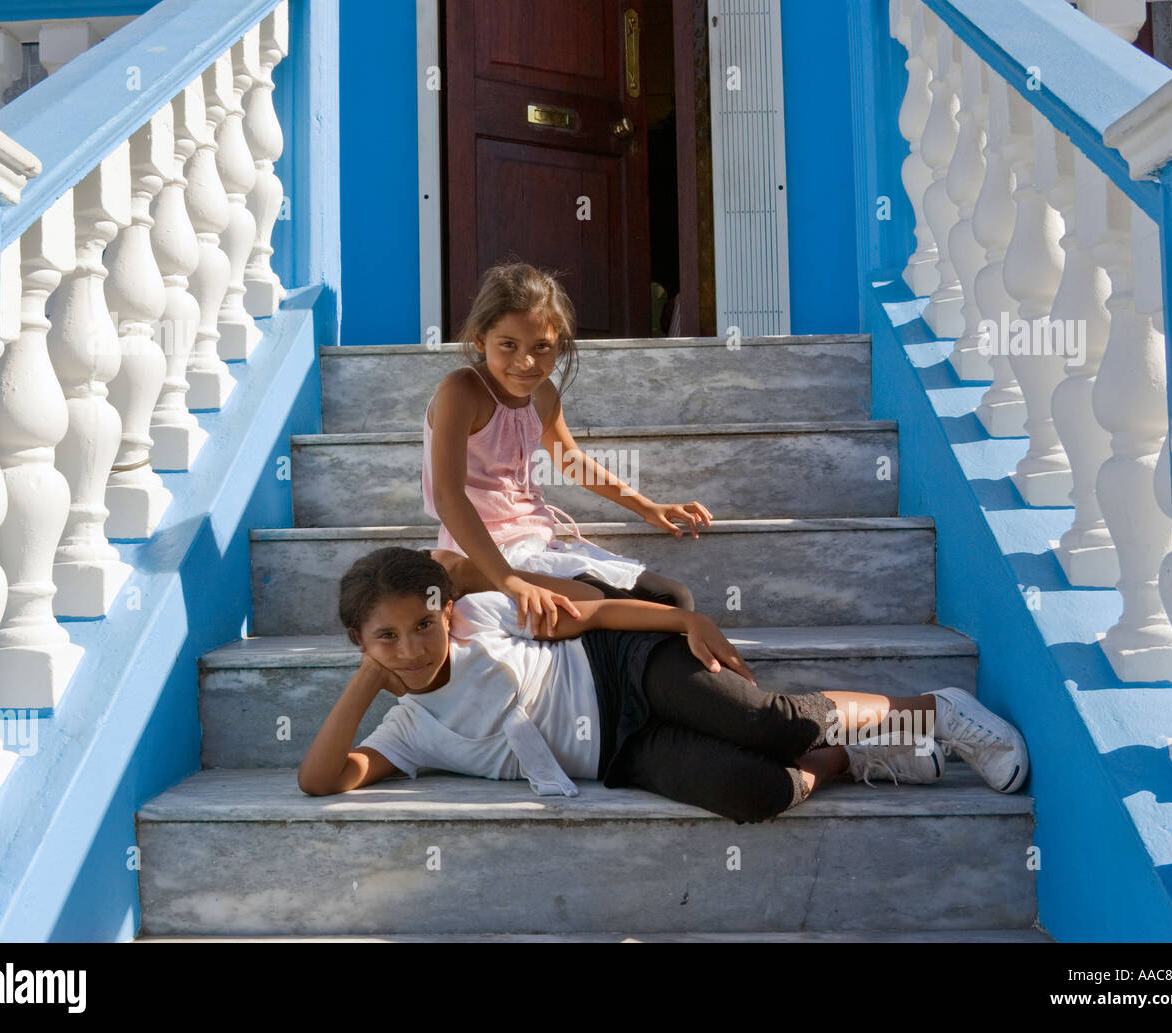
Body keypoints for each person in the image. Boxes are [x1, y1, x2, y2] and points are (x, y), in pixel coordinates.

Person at [297, 548, 1031, 823]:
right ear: (360, 645)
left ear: (445, 612)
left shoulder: (483, 620)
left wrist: (682, 622)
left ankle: (939, 712)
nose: (412, 646)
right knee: (758, 793)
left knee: (769, 725)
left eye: (421, 626)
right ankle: (859, 755)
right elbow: (322, 779)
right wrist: (369, 681)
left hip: (622, 665)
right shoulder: (408, 731)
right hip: (621, 754)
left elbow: (590, 611)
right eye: (384, 638)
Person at [422, 260, 711, 637]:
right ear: (480, 340)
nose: (526, 362)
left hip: (537, 539)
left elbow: (570, 460)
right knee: (599, 607)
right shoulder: (462, 392)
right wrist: (508, 579)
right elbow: (448, 496)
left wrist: (647, 507)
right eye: (508, 345)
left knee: (672, 598)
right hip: (486, 551)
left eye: (542, 347)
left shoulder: (543, 395)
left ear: (559, 344)